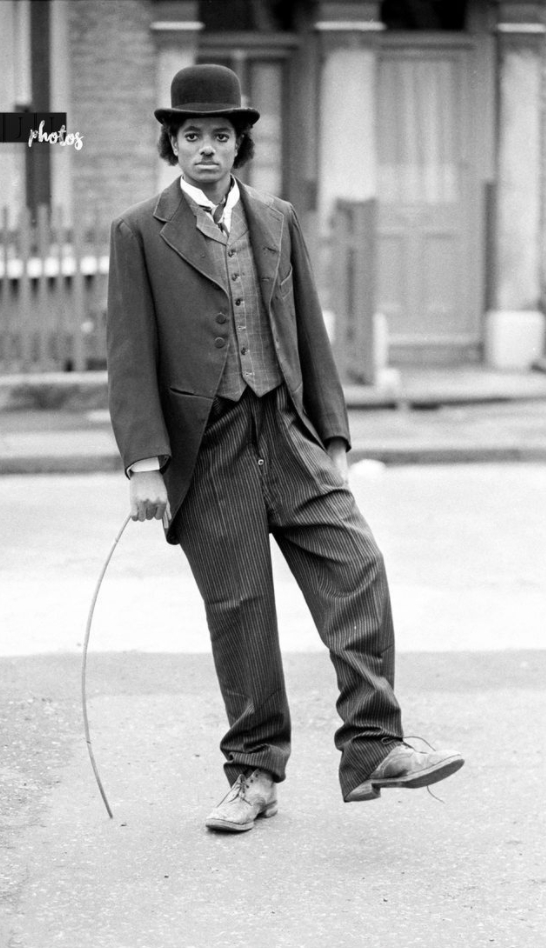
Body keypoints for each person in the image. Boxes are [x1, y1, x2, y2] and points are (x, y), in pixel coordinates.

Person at [106, 64, 463, 833]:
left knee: (356, 562)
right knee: (241, 610)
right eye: (193, 136)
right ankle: (254, 774)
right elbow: (129, 353)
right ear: (173, 145)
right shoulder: (140, 231)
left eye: (221, 136)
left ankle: (373, 744)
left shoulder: (276, 217)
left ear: (240, 146)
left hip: (288, 428)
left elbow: (308, 331)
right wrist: (143, 464)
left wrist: (332, 436)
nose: (207, 148)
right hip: (208, 447)